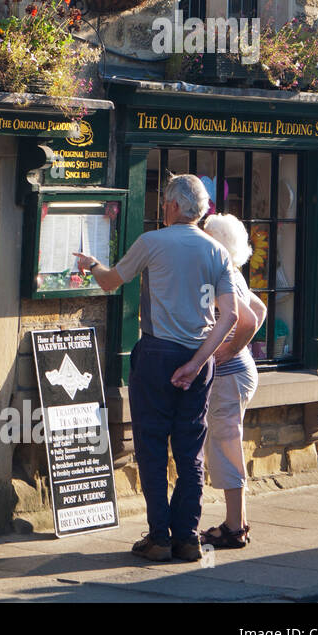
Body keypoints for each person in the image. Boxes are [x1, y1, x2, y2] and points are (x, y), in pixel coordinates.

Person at [74, 174, 238, 562]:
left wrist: (92, 264)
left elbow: (111, 282)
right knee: (190, 452)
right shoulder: (218, 252)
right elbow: (229, 316)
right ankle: (188, 537)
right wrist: (198, 363)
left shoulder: (152, 242)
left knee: (150, 447)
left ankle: (159, 537)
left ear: (174, 207)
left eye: (164, 202)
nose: (162, 207)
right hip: (198, 359)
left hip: (156, 355)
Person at [199, 213, 266, 548]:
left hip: (229, 375)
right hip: (239, 373)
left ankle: (233, 528)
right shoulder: (233, 273)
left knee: (225, 449)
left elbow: (250, 318)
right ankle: (237, 522)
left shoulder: (220, 274)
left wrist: (228, 349)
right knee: (228, 447)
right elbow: (261, 310)